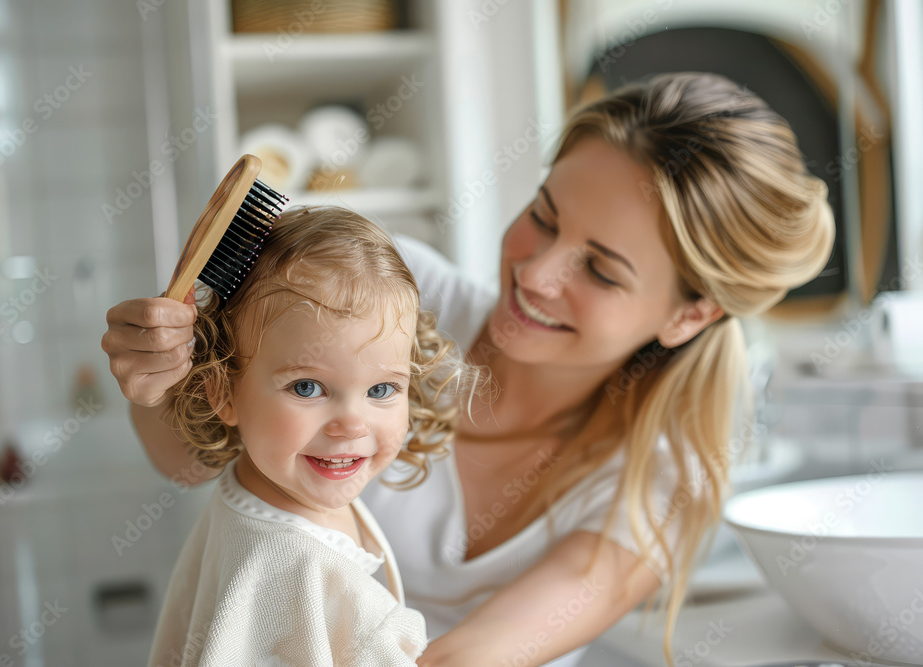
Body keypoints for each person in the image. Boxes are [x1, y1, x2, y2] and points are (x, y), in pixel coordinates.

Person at [103, 73, 835, 666]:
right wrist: (156, 381)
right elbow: (186, 460)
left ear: (689, 314)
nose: (538, 271)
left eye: (602, 270)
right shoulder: (393, 303)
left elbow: (470, 657)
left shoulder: (658, 483)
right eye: (545, 216)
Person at [142, 206, 469, 666]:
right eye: (308, 387)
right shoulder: (317, 581)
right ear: (224, 391)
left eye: (381, 389)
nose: (352, 425)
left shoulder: (251, 488)